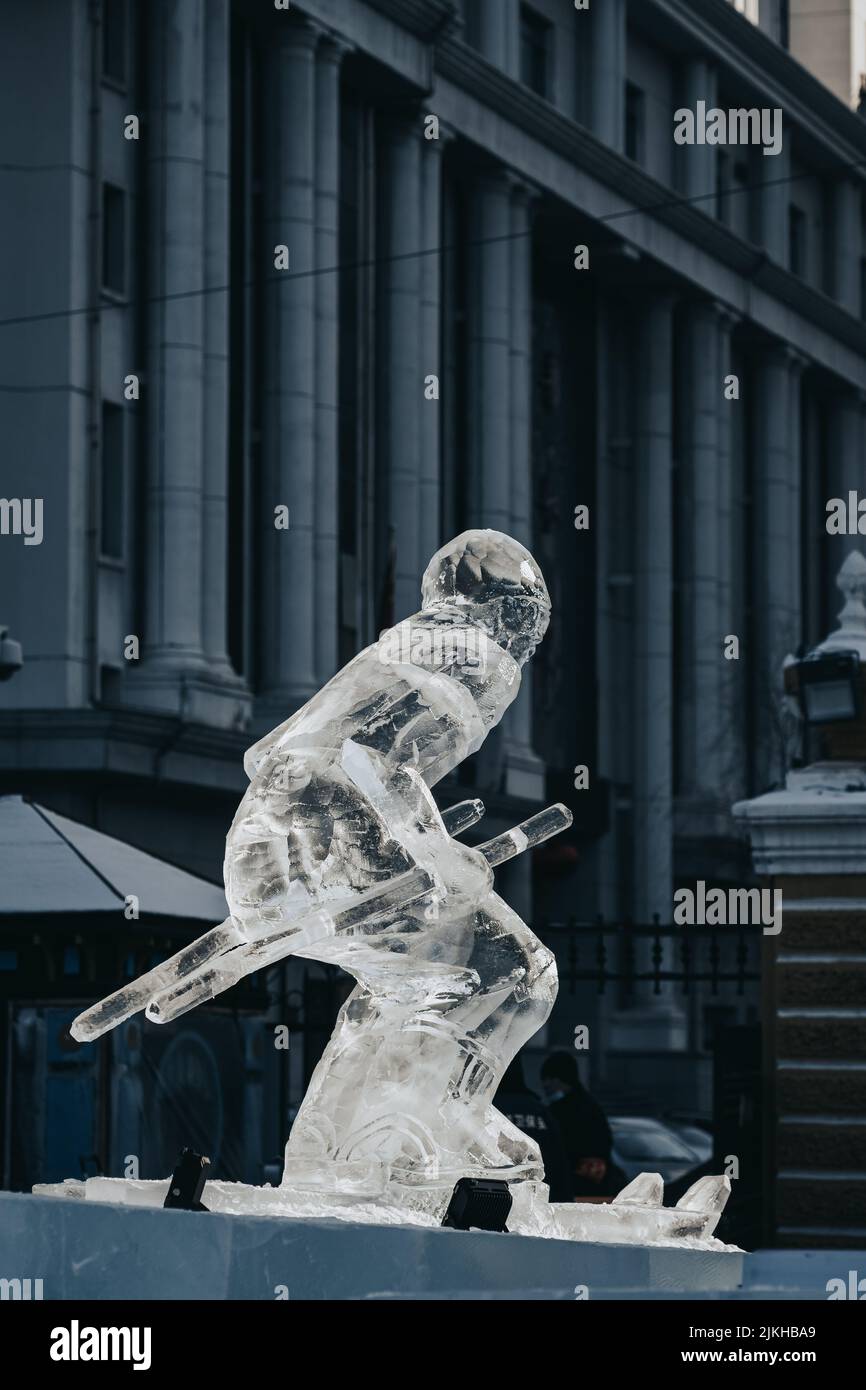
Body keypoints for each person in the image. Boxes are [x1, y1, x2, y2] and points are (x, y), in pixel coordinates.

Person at [540, 1051, 626, 1199]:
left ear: (560, 1079)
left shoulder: (559, 1110)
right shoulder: (592, 1106)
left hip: (569, 1186)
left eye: (549, 1079)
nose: (545, 1085)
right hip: (599, 1186)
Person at [495, 1054, 573, 1201]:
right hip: (543, 1198)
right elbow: (560, 1163)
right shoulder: (541, 1111)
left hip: (498, 1197)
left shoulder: (490, 1109)